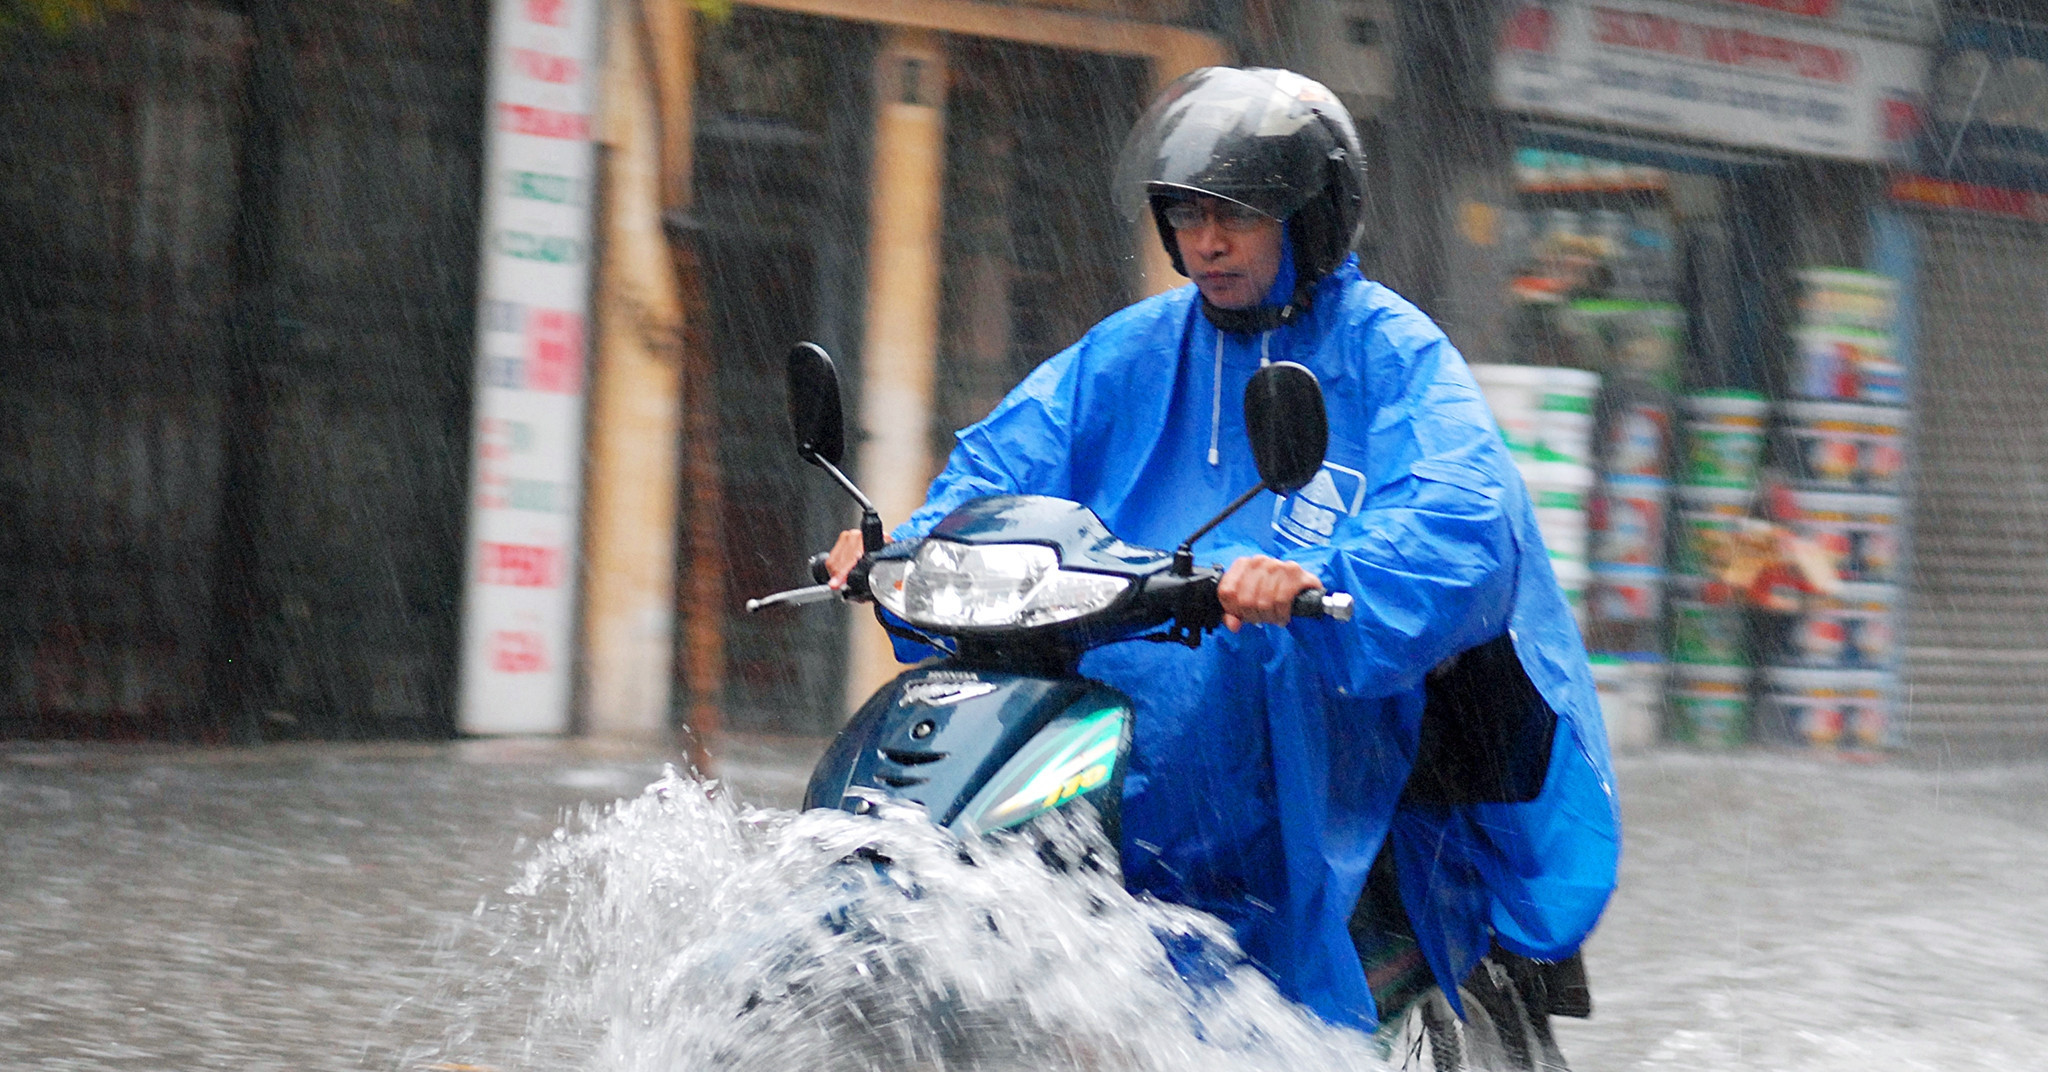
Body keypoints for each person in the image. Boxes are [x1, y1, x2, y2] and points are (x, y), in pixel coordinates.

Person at [821, 67, 1620, 1052]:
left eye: (1235, 215)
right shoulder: (1131, 350)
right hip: (1115, 707)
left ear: (1310, 219)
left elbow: (1463, 512)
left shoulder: (1389, 352)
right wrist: (907, 544)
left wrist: (1328, 579)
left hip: (1309, 724)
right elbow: (1000, 461)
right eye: (1187, 214)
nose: (1204, 241)